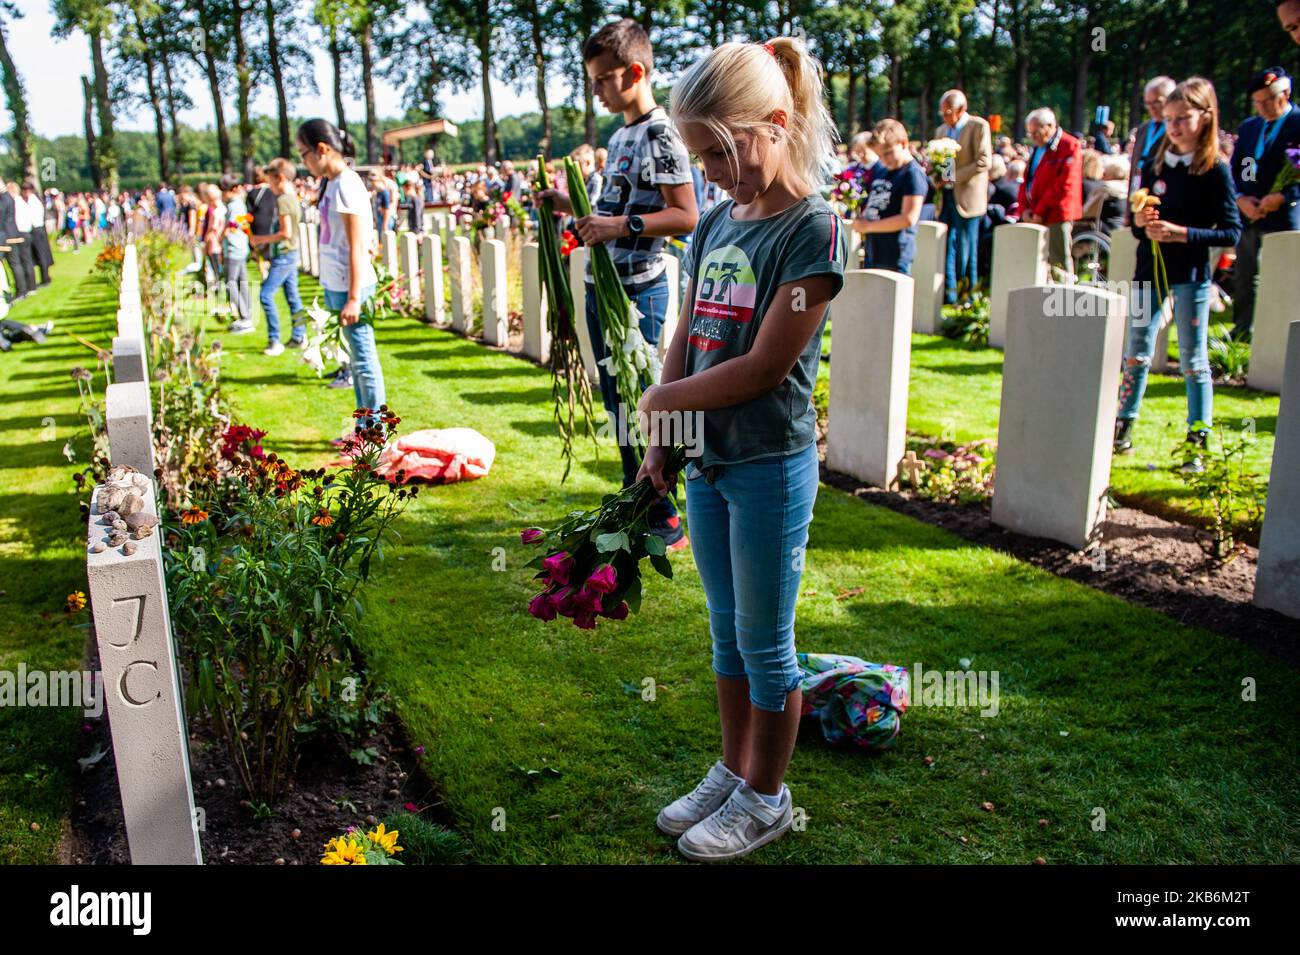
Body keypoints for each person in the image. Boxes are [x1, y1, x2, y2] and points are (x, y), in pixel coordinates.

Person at [636, 35, 847, 863]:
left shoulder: (813, 231)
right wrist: (667, 437)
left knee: (767, 641)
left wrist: (658, 400)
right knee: (726, 633)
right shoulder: (720, 218)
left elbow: (764, 366)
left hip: (768, 464)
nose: (710, 176)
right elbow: (690, 329)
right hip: (711, 459)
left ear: (776, 123)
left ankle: (768, 794)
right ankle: (732, 769)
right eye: (698, 158)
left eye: (719, 154)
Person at [536, 17, 699, 550]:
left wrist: (617, 227)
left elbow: (686, 215)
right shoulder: (622, 134)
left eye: (604, 79)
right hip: (606, 285)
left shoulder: (661, 132)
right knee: (618, 402)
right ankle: (638, 501)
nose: (598, 90)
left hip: (640, 286)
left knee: (647, 399)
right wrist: (565, 203)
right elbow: (614, 206)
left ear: (634, 71)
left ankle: (668, 514)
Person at [1114, 77, 1241, 473]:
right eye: (1169, 118)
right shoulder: (1155, 158)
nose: (1174, 126)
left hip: (1192, 274)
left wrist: (1181, 234)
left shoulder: (1215, 169)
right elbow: (1137, 222)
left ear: (1205, 117)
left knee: (1192, 358)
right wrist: (1141, 222)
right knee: (1136, 350)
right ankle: (1123, 427)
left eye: (1183, 118)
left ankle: (1196, 439)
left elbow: (1231, 230)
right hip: (1149, 269)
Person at [297, 118, 387, 438]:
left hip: (354, 286)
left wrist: (352, 297)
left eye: (304, 154)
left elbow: (356, 245)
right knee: (355, 359)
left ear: (322, 149)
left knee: (363, 361)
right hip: (339, 283)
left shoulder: (347, 183)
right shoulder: (333, 183)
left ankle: (373, 432)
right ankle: (363, 427)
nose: (303, 162)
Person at [1229, 66, 1300, 341]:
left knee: (1281, 276)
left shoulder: (1297, 123)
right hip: (1248, 214)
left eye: (1269, 101)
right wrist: (1240, 199)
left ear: (1286, 93)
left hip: (1284, 215)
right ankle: (1243, 329)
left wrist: (1283, 197)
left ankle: (1279, 334)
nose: (1263, 107)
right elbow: (1234, 171)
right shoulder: (1250, 127)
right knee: (1245, 276)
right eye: (1258, 102)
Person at [934, 89, 992, 301]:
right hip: (946, 197)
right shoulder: (941, 131)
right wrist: (937, 177)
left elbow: (984, 161)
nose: (946, 117)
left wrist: (954, 177)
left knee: (967, 248)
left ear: (961, 109)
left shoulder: (978, 126)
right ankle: (949, 294)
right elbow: (936, 164)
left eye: (949, 112)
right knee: (945, 246)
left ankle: (969, 295)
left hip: (968, 198)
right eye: (943, 113)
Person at [850, 119, 926, 274]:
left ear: (903, 143)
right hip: (874, 248)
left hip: (896, 253)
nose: (884, 159)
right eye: (879, 155)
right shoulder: (882, 170)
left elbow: (908, 218)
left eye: (888, 153)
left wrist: (868, 226)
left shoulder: (912, 174)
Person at [248, 158, 306, 356]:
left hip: (284, 254)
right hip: (290, 253)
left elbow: (285, 233)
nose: (269, 186)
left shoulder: (283, 200)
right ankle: (300, 335)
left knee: (265, 295)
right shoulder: (292, 197)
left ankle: (275, 340)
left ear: (280, 178)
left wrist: (260, 239)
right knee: (293, 298)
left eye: (271, 181)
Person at [1018, 107, 1083, 278]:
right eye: (1029, 133)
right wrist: (1024, 208)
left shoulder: (1069, 145)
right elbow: (1028, 179)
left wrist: (1040, 211)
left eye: (1035, 133)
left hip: (1055, 214)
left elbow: (1063, 185)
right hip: (1034, 214)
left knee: (1058, 263)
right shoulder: (1038, 147)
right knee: (1037, 264)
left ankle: (1064, 302)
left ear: (1049, 126)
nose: (1032, 138)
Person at [1128, 77, 1175, 218]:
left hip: (1162, 200)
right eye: (1148, 103)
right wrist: (1127, 211)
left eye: (1157, 102)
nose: (1152, 108)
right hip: (1137, 196)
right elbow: (1133, 167)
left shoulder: (1176, 130)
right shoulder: (1143, 129)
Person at [219, 173, 254, 333]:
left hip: (233, 249)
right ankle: (247, 315)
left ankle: (245, 316)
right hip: (241, 248)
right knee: (242, 282)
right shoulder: (238, 203)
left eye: (224, 191)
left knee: (231, 284)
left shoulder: (234, 205)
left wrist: (220, 240)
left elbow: (231, 226)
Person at [21, 182, 53, 286]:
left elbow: (29, 217)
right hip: (39, 229)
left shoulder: (31, 201)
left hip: (36, 230)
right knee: (41, 254)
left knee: (40, 254)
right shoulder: (36, 200)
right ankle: (45, 277)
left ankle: (45, 278)